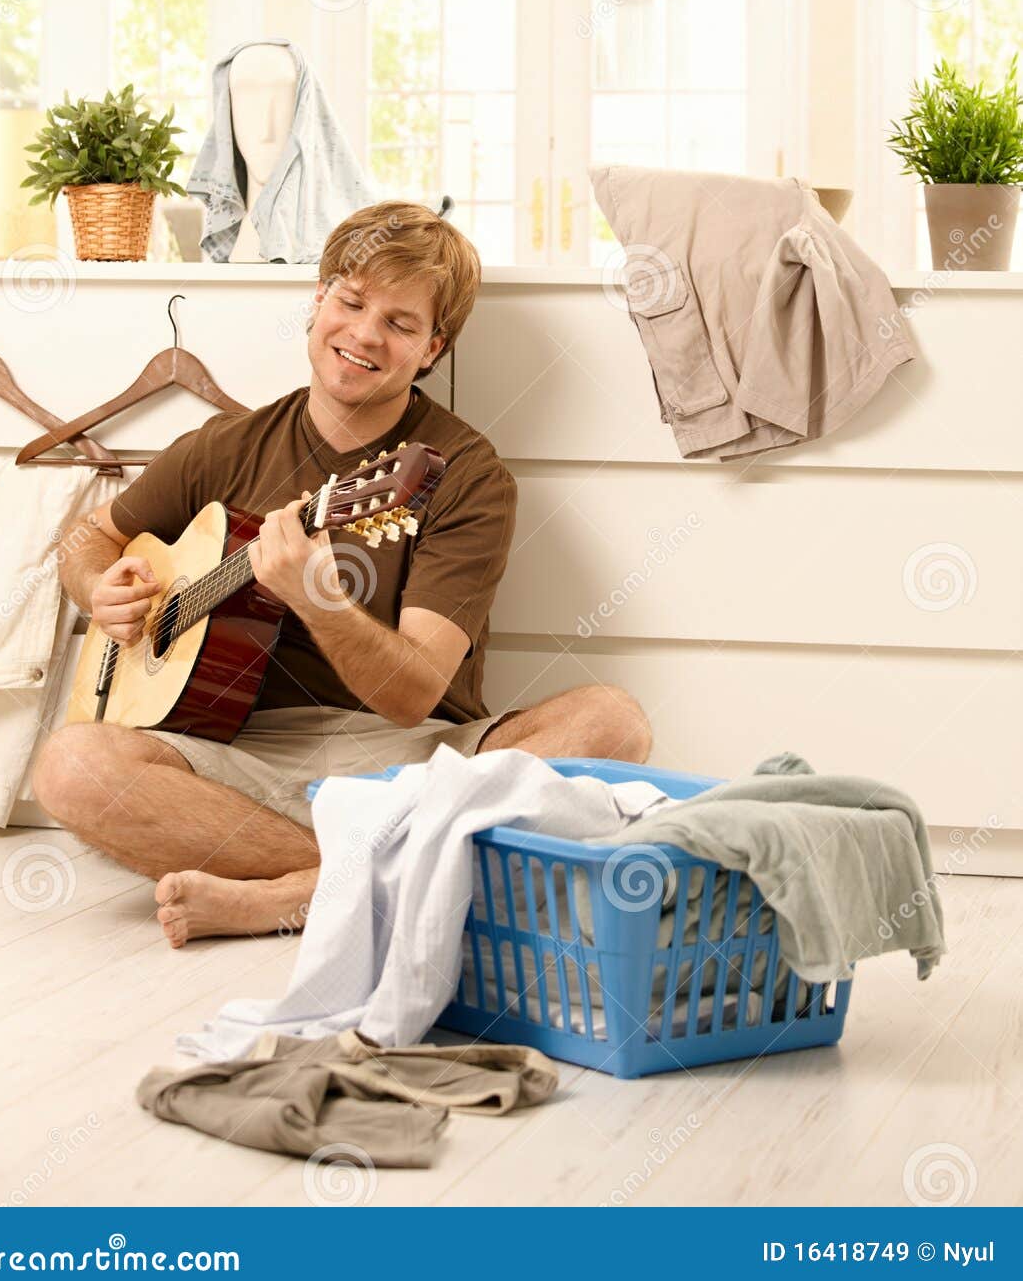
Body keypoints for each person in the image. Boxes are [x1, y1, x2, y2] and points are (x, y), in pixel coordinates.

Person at [33, 201, 652, 947]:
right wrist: (100, 587)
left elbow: (412, 694)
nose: (363, 335)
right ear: (317, 302)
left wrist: (317, 599)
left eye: (399, 323)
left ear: (432, 349)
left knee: (612, 721)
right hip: (241, 761)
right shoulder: (222, 447)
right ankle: (368, 881)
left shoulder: (463, 476)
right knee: (70, 765)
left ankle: (300, 892)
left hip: (415, 762)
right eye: (351, 301)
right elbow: (84, 539)